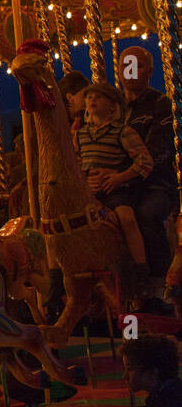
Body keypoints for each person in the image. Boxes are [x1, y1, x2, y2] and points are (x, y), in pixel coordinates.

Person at [75, 81, 154, 305]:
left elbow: (145, 161)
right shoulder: (81, 135)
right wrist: (85, 178)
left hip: (115, 191)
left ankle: (141, 273)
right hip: (89, 194)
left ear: (112, 106)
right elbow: (76, 163)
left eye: (98, 97)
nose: (92, 100)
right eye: (90, 97)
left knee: (127, 218)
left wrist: (119, 177)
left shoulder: (122, 132)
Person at [121, 46, 178, 300]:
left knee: (147, 215)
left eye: (138, 66)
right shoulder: (113, 107)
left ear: (151, 71)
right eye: (126, 66)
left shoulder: (161, 104)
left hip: (154, 184)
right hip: (119, 184)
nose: (130, 71)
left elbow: (157, 150)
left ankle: (159, 282)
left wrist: (126, 174)